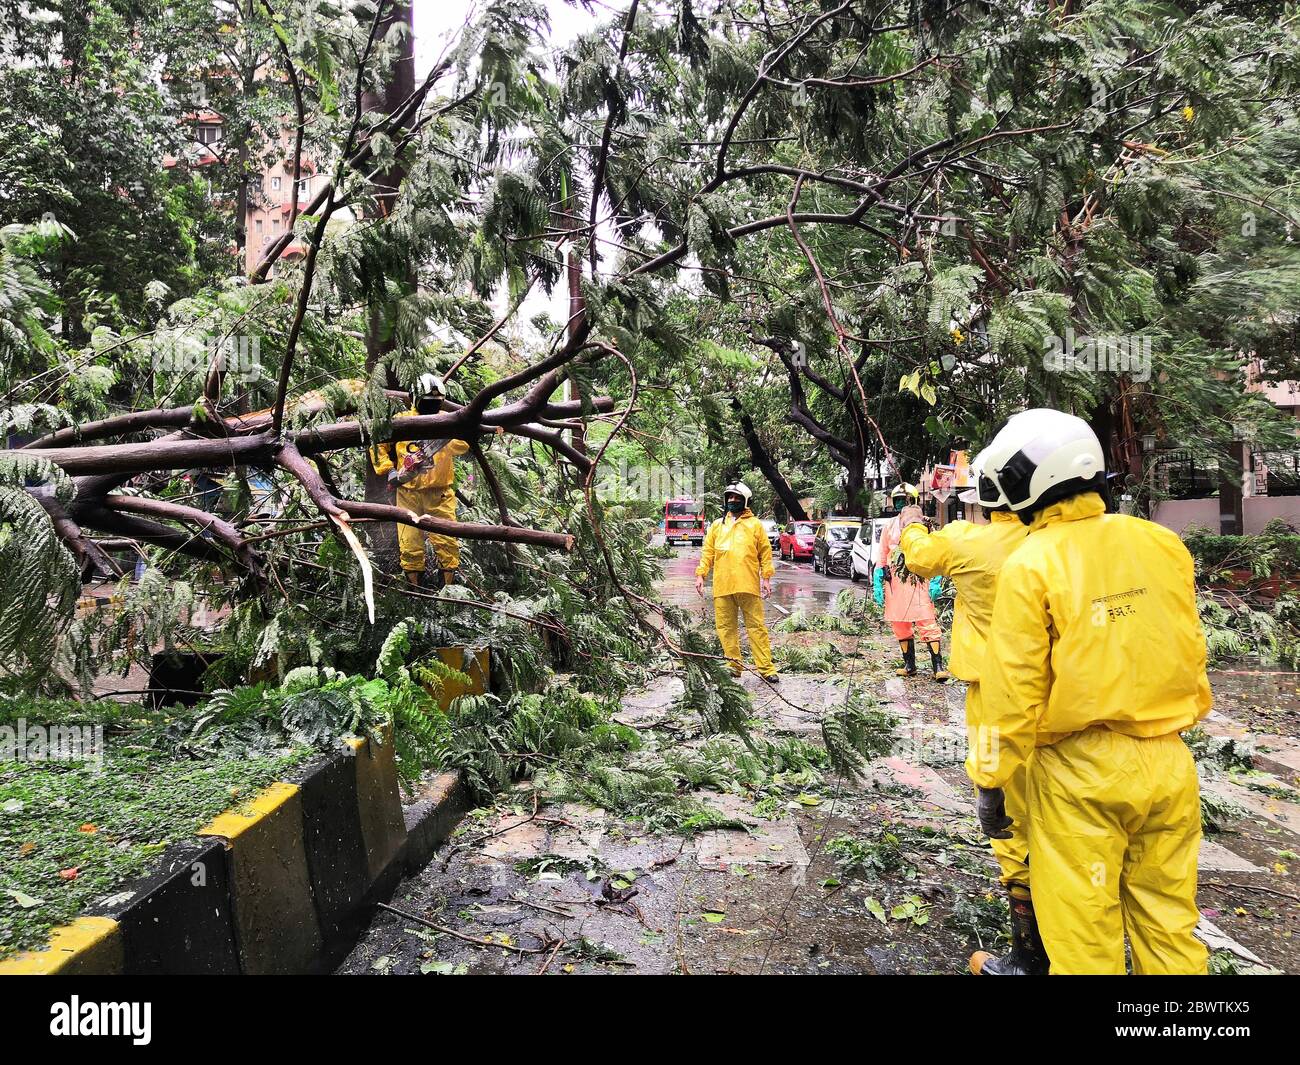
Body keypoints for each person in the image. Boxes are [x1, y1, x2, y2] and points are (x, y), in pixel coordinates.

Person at [974, 408, 1212, 975]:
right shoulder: (1160, 543)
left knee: (1084, 937)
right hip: (1170, 764)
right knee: (1169, 921)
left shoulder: (1032, 563)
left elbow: (1010, 692)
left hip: (1080, 777)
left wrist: (989, 777)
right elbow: (1186, 646)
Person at [894, 453, 1039, 974]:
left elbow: (918, 557)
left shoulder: (967, 540)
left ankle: (1028, 955)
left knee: (1010, 822)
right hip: (1069, 698)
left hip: (995, 691)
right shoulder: (1059, 543)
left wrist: (911, 519)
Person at [369, 373, 470, 588]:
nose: (432, 406)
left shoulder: (447, 419)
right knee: (410, 542)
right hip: (408, 492)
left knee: (447, 541)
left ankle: (449, 591)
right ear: (415, 398)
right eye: (427, 402)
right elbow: (377, 443)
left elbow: (463, 444)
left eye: (436, 402)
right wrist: (389, 470)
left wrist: (446, 434)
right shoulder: (401, 420)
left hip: (440, 494)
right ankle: (415, 591)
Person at [694, 482, 779, 684]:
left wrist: (766, 578)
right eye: (729, 497)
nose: (732, 501)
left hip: (747, 584)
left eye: (737, 497)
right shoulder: (717, 525)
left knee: (756, 627)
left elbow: (765, 553)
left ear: (746, 501)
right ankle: (733, 666)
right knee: (725, 628)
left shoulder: (755, 525)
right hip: (722, 585)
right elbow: (708, 552)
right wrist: (701, 574)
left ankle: (766, 669)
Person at [873, 483, 947, 680]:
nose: (900, 505)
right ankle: (909, 665)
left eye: (904, 501)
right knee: (899, 623)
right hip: (895, 583)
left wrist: (935, 579)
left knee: (927, 620)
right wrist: (878, 578)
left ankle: (938, 666)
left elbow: (934, 552)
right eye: (897, 500)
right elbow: (883, 553)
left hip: (919, 579)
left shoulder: (924, 525)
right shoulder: (889, 525)